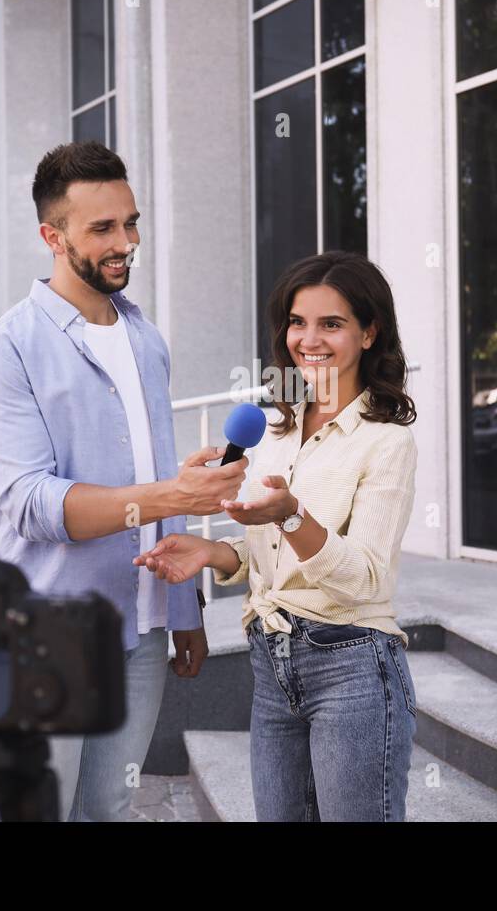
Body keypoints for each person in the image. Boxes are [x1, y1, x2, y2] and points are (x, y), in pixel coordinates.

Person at [0, 140, 247, 821]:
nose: (126, 243)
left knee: (110, 804)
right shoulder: (6, 351)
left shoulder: (145, 338)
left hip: (145, 629)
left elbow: (159, 473)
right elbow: (32, 505)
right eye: (102, 229)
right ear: (51, 236)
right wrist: (172, 497)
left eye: (131, 222)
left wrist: (185, 611)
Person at [135, 250, 419, 821]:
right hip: (271, 659)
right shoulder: (276, 429)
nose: (308, 339)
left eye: (331, 324)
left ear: (369, 332)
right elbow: (271, 554)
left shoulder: (386, 442)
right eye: (297, 322)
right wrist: (213, 553)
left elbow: (361, 579)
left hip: (352, 664)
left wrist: (290, 514)